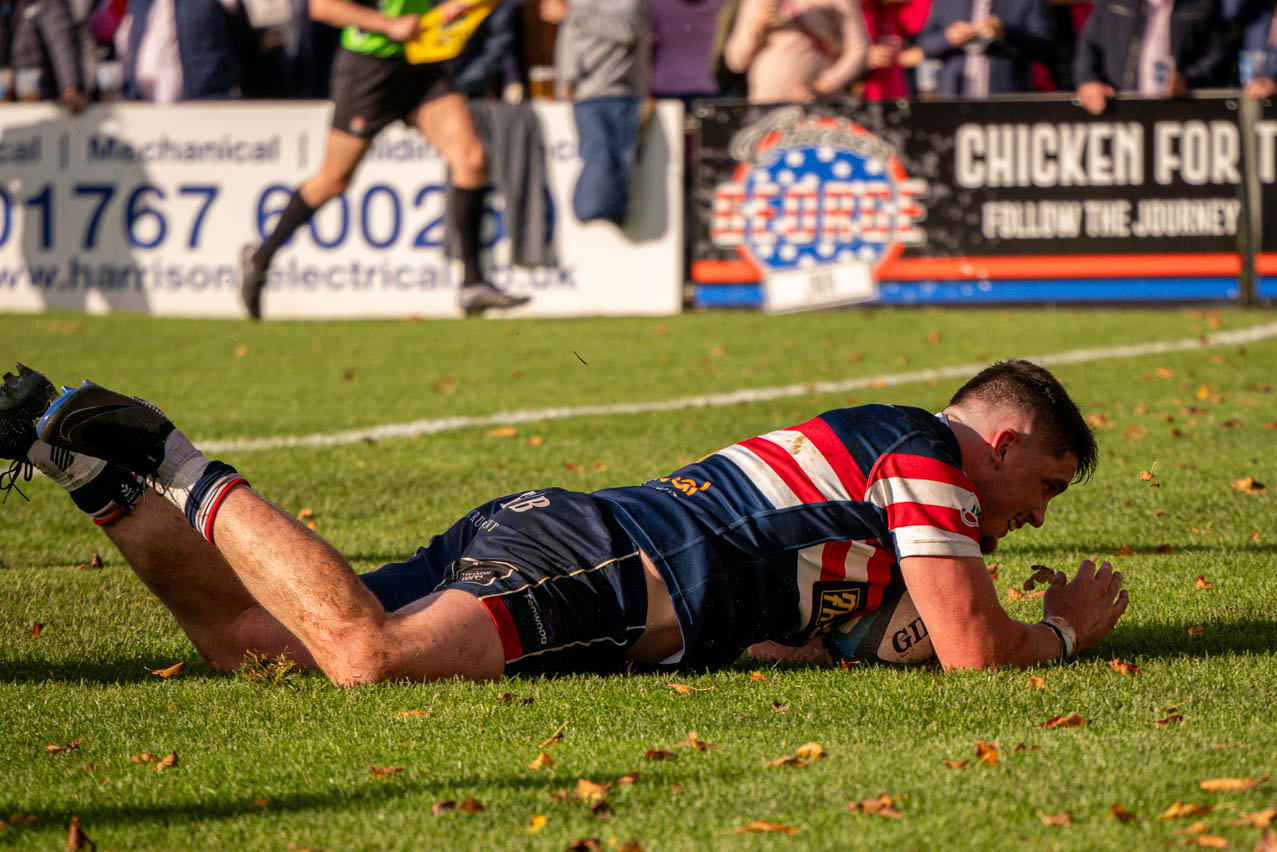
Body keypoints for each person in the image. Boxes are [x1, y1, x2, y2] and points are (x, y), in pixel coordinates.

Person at [1, 359, 1127, 683]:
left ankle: (89, 468)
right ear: (1006, 442)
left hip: (583, 543)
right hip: (609, 564)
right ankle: (169, 457)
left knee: (250, 645)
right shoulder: (927, 451)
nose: (1031, 518)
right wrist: (1065, 632)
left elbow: (845, 633)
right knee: (367, 658)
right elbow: (974, 651)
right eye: (1046, 487)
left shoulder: (879, 486)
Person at [237, 0, 531, 319]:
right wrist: (387, 24)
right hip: (369, 69)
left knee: (471, 159)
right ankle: (260, 258)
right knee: (333, 180)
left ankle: (473, 284)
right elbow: (322, 8)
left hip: (419, 59)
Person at [540, 0, 651, 227]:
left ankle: (597, 213)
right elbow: (570, 38)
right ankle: (596, 216)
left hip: (617, 93)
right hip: (582, 95)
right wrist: (566, 79)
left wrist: (571, 13)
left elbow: (627, 29)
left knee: (608, 166)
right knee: (601, 160)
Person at [1072, 0, 1230, 115]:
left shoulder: (1202, 5)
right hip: (1120, 109)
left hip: (1179, 112)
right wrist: (1089, 80)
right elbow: (1089, 43)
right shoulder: (1114, 3)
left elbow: (1218, 54)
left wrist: (1187, 80)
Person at [723, 0, 870, 103]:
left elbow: (859, 49)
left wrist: (826, 84)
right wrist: (755, 29)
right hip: (765, 105)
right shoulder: (757, 2)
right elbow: (736, 62)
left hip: (816, 109)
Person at [914, 0, 1052, 97]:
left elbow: (1046, 47)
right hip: (954, 98)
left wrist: (1005, 32)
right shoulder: (948, 2)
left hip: (1006, 102)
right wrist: (948, 38)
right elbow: (924, 46)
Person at [6, 0, 91, 110]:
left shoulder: (50, 3)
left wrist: (71, 86)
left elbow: (62, 43)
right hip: (17, 99)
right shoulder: (13, 6)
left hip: (46, 99)